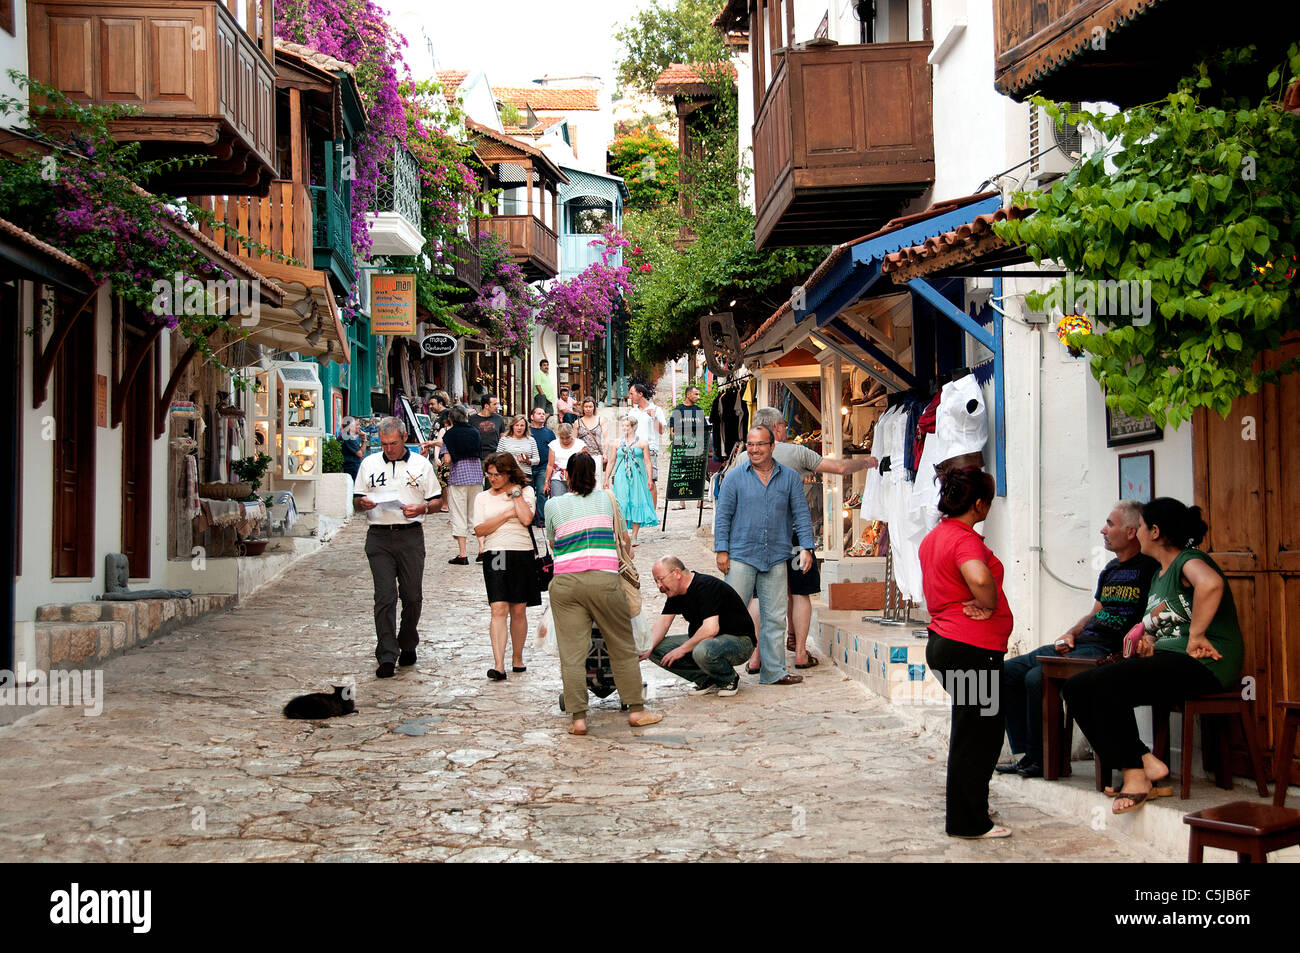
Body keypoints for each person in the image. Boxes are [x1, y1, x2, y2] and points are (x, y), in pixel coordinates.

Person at [1062, 498, 1245, 815]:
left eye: (1143, 527)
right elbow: (1166, 623)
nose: (1139, 533)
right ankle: (1144, 761)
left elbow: (1211, 584)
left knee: (1110, 684)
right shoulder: (1159, 577)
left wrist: (1198, 634)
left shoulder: (1188, 560)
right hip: (1174, 660)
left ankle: (1136, 774)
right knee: (1076, 688)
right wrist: (1148, 641)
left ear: (1155, 531)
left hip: (1206, 664)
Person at [997, 501, 1159, 778]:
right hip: (1082, 642)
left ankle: (1046, 760)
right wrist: (1072, 632)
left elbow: (1154, 615)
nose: (1102, 530)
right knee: (1008, 671)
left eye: (1110, 524)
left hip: (1109, 650)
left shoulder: (1150, 569)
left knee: (1037, 678)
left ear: (1132, 532)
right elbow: (1095, 612)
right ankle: (1029, 753)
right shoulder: (1110, 569)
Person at [918, 465, 1014, 839]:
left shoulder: (935, 537)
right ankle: (968, 820)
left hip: (949, 642)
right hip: (971, 647)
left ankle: (974, 803)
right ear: (978, 504)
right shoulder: (964, 539)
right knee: (978, 733)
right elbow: (977, 576)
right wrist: (987, 602)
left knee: (975, 728)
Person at [745, 406, 878, 672]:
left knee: (758, 596)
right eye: (783, 424)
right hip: (793, 535)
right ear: (776, 428)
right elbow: (838, 467)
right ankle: (801, 653)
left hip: (758, 537)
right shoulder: (795, 452)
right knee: (801, 591)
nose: (785, 429)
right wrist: (866, 462)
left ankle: (756, 655)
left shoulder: (742, 458)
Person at [544, 452, 663, 735]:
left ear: (568, 476)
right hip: (605, 581)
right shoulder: (608, 500)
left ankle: (578, 720)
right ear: (595, 475)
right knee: (622, 646)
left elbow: (552, 541)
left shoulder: (553, 505)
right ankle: (636, 710)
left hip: (566, 584)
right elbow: (623, 539)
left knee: (572, 654)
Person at [714, 425, 815, 687]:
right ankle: (718, 672)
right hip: (740, 556)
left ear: (772, 447)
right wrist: (721, 550)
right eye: (750, 444)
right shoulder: (735, 478)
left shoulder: (790, 478)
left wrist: (806, 547)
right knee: (729, 616)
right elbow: (722, 516)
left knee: (775, 618)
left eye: (760, 444)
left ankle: (774, 672)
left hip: (776, 557)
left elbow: (801, 514)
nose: (754, 449)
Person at [353, 416, 441, 678]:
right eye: (383, 444)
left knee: (412, 595)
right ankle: (387, 653)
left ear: (404, 438)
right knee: (384, 595)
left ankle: (408, 641)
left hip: (410, 535)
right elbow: (357, 498)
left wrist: (423, 508)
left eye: (393, 443)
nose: (388, 449)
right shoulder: (369, 464)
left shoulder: (421, 465)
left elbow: (436, 500)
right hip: (379, 535)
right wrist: (363, 504)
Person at [642, 556, 755, 697]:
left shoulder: (706, 586)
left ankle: (729, 678)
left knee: (702, 650)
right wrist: (646, 649)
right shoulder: (675, 593)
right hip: (709, 641)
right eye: (656, 581)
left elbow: (710, 629)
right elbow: (663, 623)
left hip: (740, 641)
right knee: (655, 648)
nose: (659, 586)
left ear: (676, 573)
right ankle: (707, 679)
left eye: (661, 579)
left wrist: (682, 649)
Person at [473, 452, 539, 681]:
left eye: (497, 474)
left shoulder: (525, 491)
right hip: (496, 553)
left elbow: (526, 519)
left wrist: (516, 497)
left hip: (521, 551)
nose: (493, 479)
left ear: (509, 473)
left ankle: (517, 658)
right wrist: (506, 513)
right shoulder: (482, 498)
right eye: (489, 474)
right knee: (498, 607)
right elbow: (480, 529)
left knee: (518, 608)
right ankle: (498, 664)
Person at [440, 405, 483, 565]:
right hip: (476, 475)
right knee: (476, 514)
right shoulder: (475, 431)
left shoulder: (449, 435)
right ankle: (481, 549)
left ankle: (463, 554)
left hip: (458, 477)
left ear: (451, 418)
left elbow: (447, 460)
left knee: (458, 514)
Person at [606, 415, 657, 543]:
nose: (625, 428)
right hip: (621, 476)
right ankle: (624, 535)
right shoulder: (617, 442)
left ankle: (634, 535)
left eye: (627, 425)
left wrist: (650, 478)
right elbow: (611, 461)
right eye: (623, 425)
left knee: (636, 502)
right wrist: (606, 478)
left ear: (634, 426)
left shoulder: (642, 442)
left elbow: (647, 462)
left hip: (638, 476)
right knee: (621, 503)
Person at [628, 382, 666, 510]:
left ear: (640, 394)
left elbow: (661, 431)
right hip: (634, 449)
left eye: (631, 393)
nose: (630, 396)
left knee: (651, 480)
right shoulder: (632, 411)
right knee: (635, 480)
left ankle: (652, 512)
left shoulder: (656, 410)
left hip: (650, 449)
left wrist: (654, 417)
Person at [667, 385, 706, 511]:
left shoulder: (699, 411)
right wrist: (680, 445)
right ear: (688, 395)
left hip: (697, 447)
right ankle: (681, 502)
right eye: (696, 394)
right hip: (682, 448)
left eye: (698, 394)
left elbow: (704, 430)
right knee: (681, 474)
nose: (698, 397)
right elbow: (672, 432)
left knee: (698, 473)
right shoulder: (678, 411)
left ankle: (700, 501)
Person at [528, 406, 556, 527]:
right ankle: (529, 518)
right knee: (528, 494)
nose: (542, 416)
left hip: (543, 467)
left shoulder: (549, 433)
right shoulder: (527, 431)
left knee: (541, 492)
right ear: (532, 417)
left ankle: (542, 519)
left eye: (543, 414)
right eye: (538, 413)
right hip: (527, 466)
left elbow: (554, 449)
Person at [544, 422, 585, 500]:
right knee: (558, 501)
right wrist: (546, 482)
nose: (565, 440)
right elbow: (550, 465)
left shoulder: (580, 444)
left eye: (567, 437)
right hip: (558, 477)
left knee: (575, 501)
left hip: (575, 477)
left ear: (571, 434)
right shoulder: (554, 445)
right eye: (562, 438)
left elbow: (584, 464)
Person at [497, 414, 540, 486]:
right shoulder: (504, 439)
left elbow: (537, 460)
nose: (519, 428)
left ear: (526, 427)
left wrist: (528, 461)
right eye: (517, 425)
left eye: (522, 425)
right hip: (508, 474)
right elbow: (497, 458)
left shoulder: (531, 440)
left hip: (525, 474)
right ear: (512, 426)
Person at [574, 396, 606, 487]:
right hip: (583, 456)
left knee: (597, 482)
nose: (588, 409)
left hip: (596, 454)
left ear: (594, 407)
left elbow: (606, 438)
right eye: (586, 406)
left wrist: (605, 453)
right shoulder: (578, 422)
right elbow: (574, 440)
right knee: (583, 481)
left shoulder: (600, 420)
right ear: (583, 408)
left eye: (590, 406)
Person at [474, 393, 505, 476]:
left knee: (492, 485)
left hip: (494, 456)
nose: (497, 406)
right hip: (477, 457)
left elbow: (503, 438)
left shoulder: (499, 418)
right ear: (486, 406)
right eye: (494, 404)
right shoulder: (472, 419)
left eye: (497, 404)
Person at [339, 415, 365, 482]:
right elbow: (360, 454)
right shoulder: (347, 437)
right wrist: (364, 440)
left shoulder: (348, 436)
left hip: (352, 468)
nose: (359, 427)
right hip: (351, 469)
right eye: (357, 425)